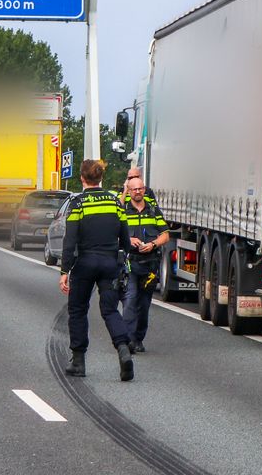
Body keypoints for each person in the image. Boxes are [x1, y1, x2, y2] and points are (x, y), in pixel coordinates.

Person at [59, 159, 134, 382]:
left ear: (82, 178)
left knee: (78, 309)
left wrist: (64, 270)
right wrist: (122, 260)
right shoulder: (114, 202)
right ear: (100, 177)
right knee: (110, 309)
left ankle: (78, 361)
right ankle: (123, 349)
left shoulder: (78, 203)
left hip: (85, 262)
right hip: (110, 262)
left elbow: (70, 239)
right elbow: (126, 238)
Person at [122, 175, 170, 353]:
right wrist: (129, 239)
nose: (137, 192)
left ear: (144, 190)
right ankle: (126, 340)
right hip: (130, 264)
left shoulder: (153, 211)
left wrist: (153, 244)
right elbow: (115, 233)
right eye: (133, 189)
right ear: (129, 191)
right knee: (130, 300)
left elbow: (165, 234)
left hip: (150, 265)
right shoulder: (123, 211)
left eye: (140, 189)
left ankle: (138, 338)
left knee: (144, 304)